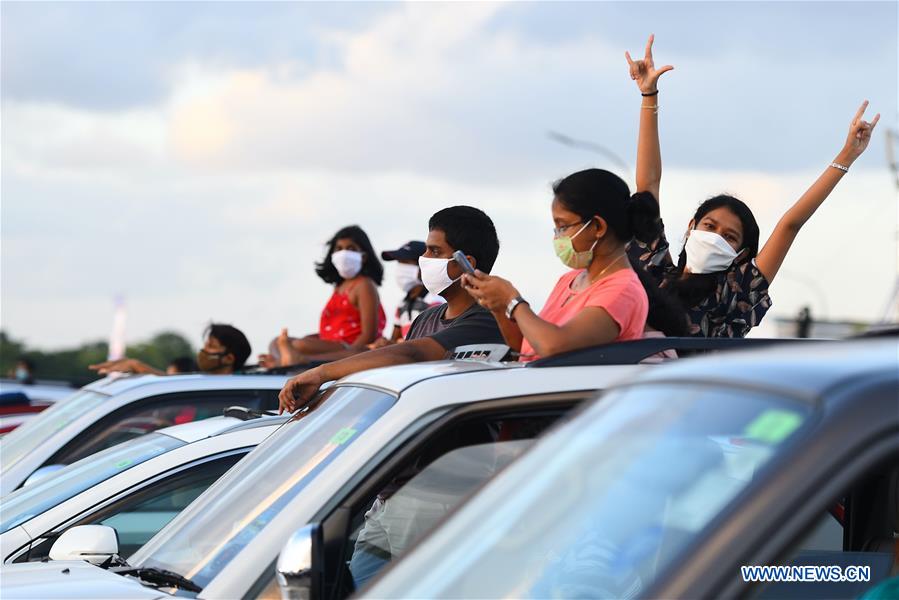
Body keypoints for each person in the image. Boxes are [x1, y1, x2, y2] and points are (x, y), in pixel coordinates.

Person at [625, 34, 880, 337]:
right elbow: (648, 185)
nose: (715, 237)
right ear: (691, 226)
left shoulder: (736, 294)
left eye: (729, 237)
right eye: (709, 226)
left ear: (741, 254)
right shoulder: (654, 271)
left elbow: (790, 224)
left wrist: (847, 156)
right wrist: (648, 95)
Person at [278, 206, 504, 413]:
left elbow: (409, 354)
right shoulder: (426, 318)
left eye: (434, 252)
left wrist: (321, 373)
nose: (423, 259)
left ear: (467, 263)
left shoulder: (486, 318)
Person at [462, 169, 651, 361]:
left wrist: (513, 300)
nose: (557, 236)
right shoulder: (570, 279)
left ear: (598, 227)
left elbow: (553, 347)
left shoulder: (623, 291)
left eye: (564, 226)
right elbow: (527, 347)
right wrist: (499, 307)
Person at [261, 225, 387, 367]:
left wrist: (350, 354)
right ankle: (287, 359)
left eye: (351, 248)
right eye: (339, 248)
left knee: (300, 344)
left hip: (351, 347)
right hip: (332, 345)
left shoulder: (364, 285)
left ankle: (296, 359)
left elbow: (368, 335)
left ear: (363, 256)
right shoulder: (339, 287)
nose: (344, 253)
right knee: (276, 342)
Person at [89, 323, 251, 375]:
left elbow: (175, 386)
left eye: (211, 347)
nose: (203, 351)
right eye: (205, 345)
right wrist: (136, 365)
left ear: (229, 358)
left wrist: (138, 366)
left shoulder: (232, 389)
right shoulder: (204, 383)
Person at [377, 240, 444, 346]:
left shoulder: (435, 301)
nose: (400, 268)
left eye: (406, 262)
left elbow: (433, 342)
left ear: (422, 266)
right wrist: (386, 343)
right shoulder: (402, 304)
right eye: (399, 262)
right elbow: (395, 339)